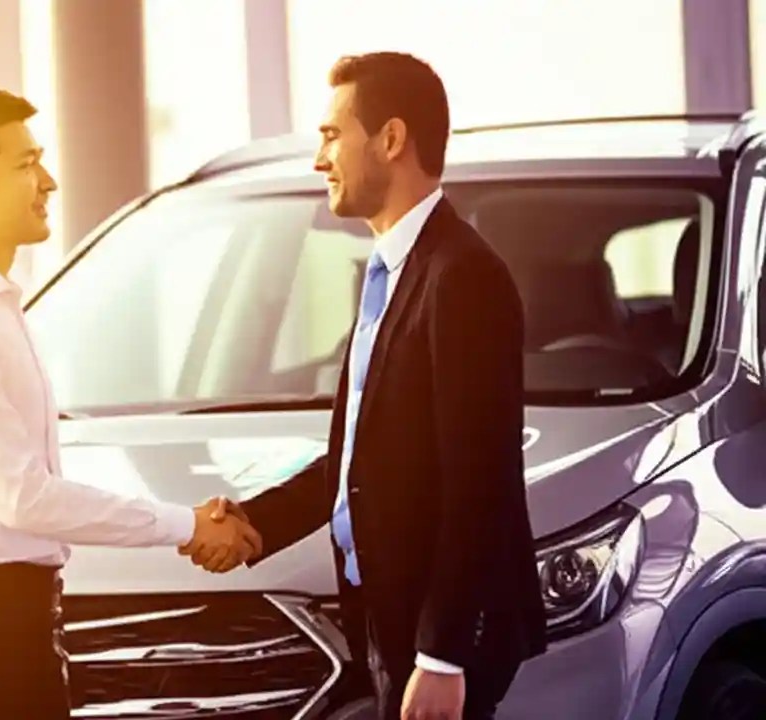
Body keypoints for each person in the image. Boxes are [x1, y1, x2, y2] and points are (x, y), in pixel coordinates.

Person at [0, 88, 262, 720]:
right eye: (25, 165)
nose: (47, 182)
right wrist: (186, 524)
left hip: (9, 626)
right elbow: (24, 497)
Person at [184, 53, 546, 719]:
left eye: (330, 135)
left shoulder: (461, 276)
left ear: (391, 138)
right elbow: (369, 458)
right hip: (385, 620)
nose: (319, 159)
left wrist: (442, 656)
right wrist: (258, 522)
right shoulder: (390, 272)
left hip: (437, 642)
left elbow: (478, 480)